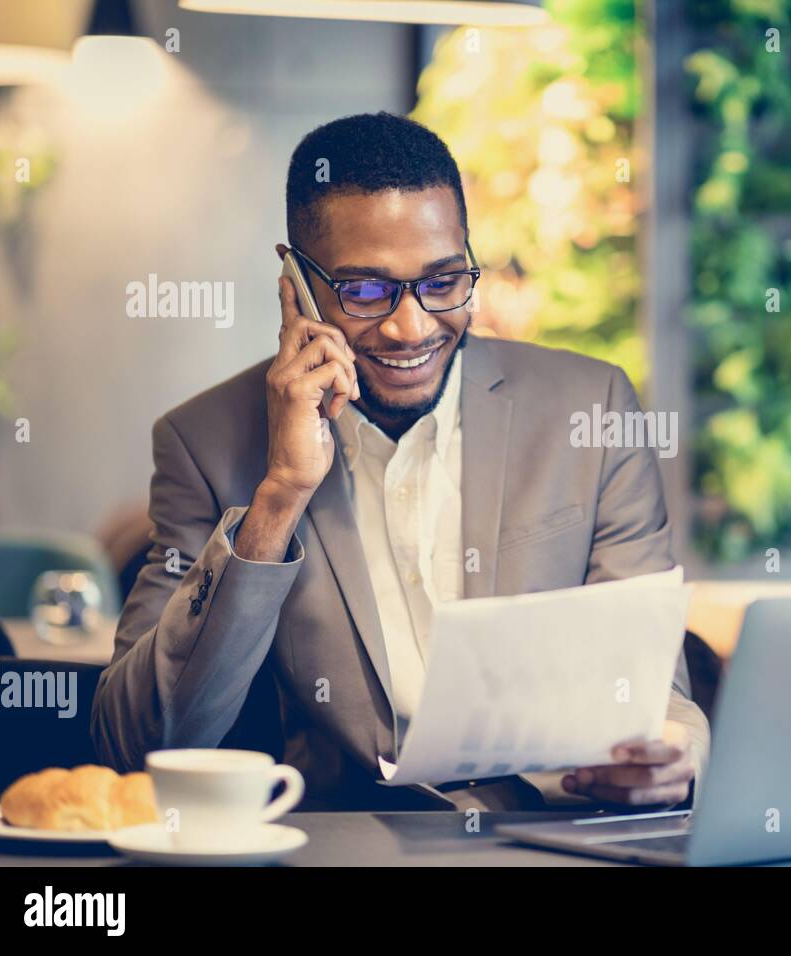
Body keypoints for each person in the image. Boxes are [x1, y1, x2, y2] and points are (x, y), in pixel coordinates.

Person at [90, 112, 708, 811]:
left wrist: (678, 749)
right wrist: (279, 498)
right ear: (294, 280)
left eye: (443, 281)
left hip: (561, 832)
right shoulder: (203, 443)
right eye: (365, 291)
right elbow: (136, 744)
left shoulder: (591, 405)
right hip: (354, 847)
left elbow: (657, 687)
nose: (410, 327)